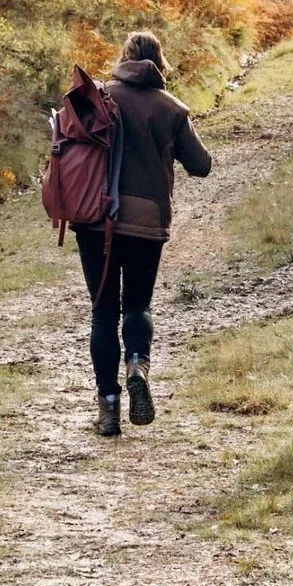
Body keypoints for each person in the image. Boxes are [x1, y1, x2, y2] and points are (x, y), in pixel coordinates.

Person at [80, 30, 212, 438]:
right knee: (137, 306)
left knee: (103, 312)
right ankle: (137, 363)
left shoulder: (97, 99)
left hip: (95, 220)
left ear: (123, 59)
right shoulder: (170, 108)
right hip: (146, 224)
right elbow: (202, 165)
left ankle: (109, 408)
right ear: (160, 62)